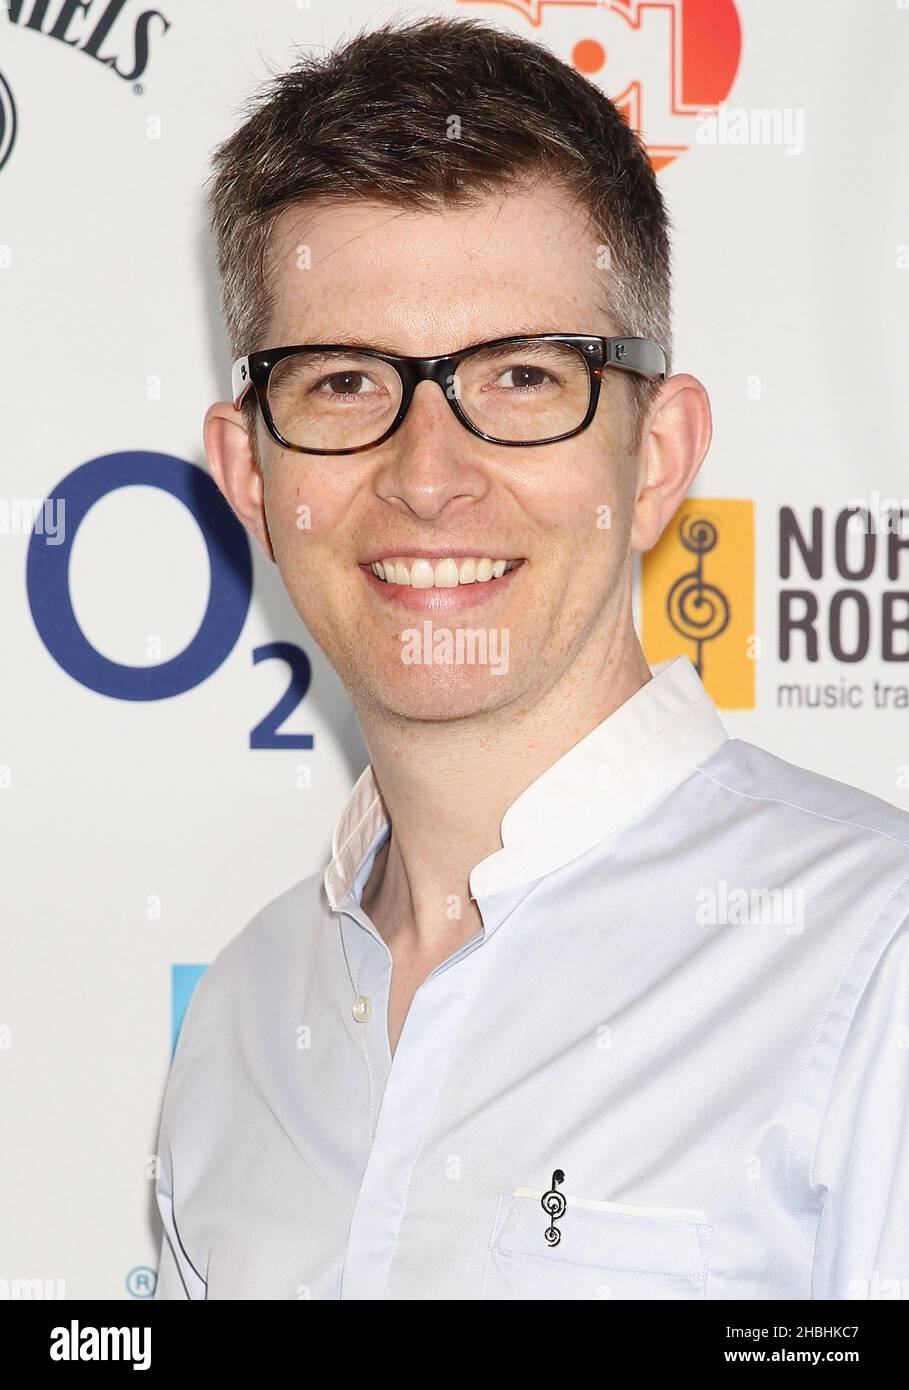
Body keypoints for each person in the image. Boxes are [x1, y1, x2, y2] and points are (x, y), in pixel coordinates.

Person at [153, 14, 909, 1300]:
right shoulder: (244, 1020)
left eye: (519, 378)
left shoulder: (876, 963)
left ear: (658, 454)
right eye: (341, 381)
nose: (428, 477)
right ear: (250, 474)